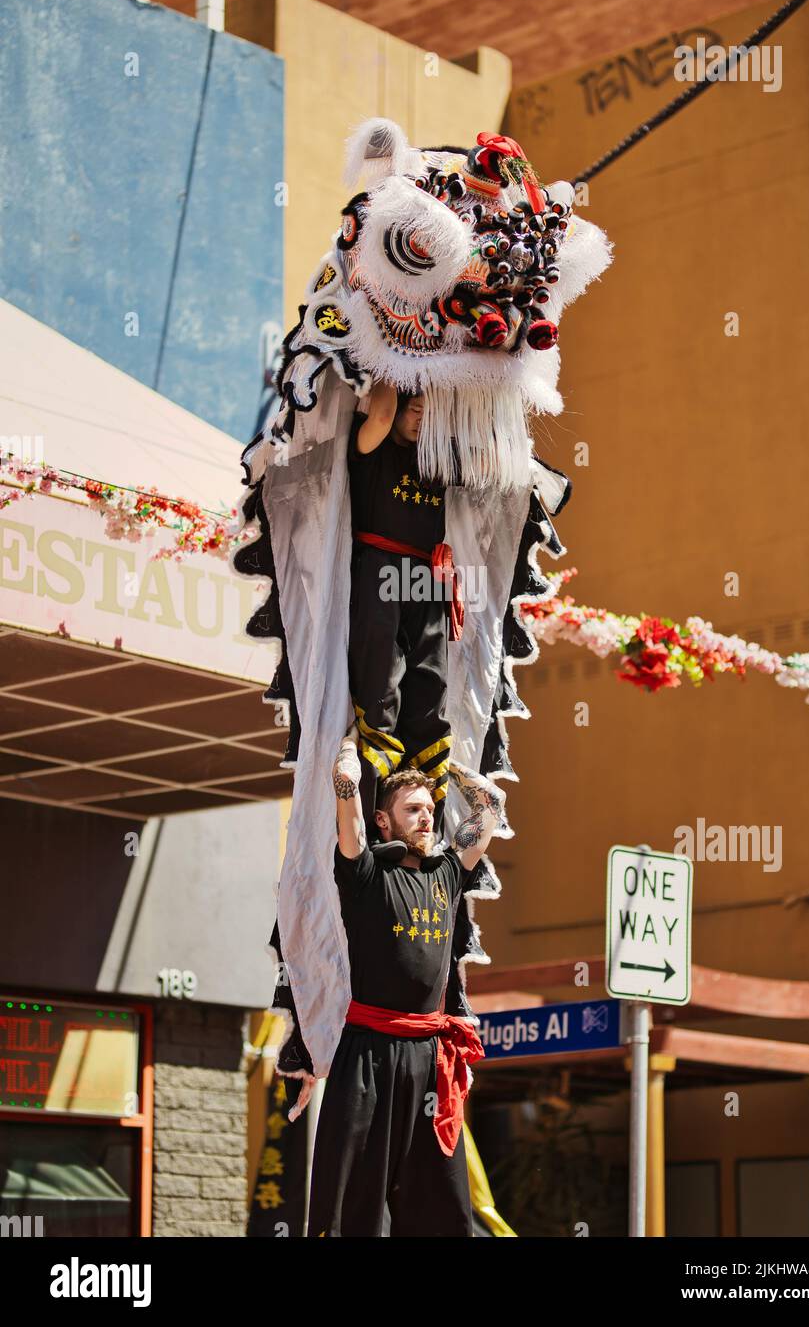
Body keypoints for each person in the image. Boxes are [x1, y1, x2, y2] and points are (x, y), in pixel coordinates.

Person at [289, 732, 505, 1237]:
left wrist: (447, 776)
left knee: (438, 1197)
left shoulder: (448, 873)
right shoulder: (365, 873)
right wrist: (347, 759)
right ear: (384, 821)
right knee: (354, 1196)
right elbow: (348, 799)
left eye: (430, 809)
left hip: (428, 1057)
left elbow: (489, 809)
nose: (427, 817)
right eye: (413, 810)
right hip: (367, 1055)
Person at [347, 381, 463, 834]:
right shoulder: (368, 440)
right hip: (379, 572)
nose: (420, 418)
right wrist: (397, 351)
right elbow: (380, 412)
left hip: (427, 578)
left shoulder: (437, 459)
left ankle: (425, 827)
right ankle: (373, 824)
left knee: (430, 700)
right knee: (381, 697)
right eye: (414, 409)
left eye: (427, 412)